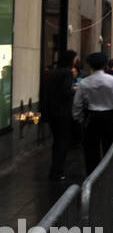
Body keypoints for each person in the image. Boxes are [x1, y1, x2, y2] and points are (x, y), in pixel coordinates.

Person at [72, 53, 113, 176]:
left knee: (91, 151)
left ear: (90, 65)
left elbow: (77, 103)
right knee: (110, 149)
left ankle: (92, 177)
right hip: (109, 117)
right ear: (105, 65)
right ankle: (111, 174)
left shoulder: (85, 82)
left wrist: (79, 118)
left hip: (91, 117)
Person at [42, 51, 78, 181]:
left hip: (52, 112)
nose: (76, 61)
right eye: (75, 59)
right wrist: (75, 89)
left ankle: (55, 170)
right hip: (62, 112)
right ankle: (57, 171)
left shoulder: (54, 72)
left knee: (57, 141)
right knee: (62, 142)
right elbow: (65, 91)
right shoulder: (66, 73)